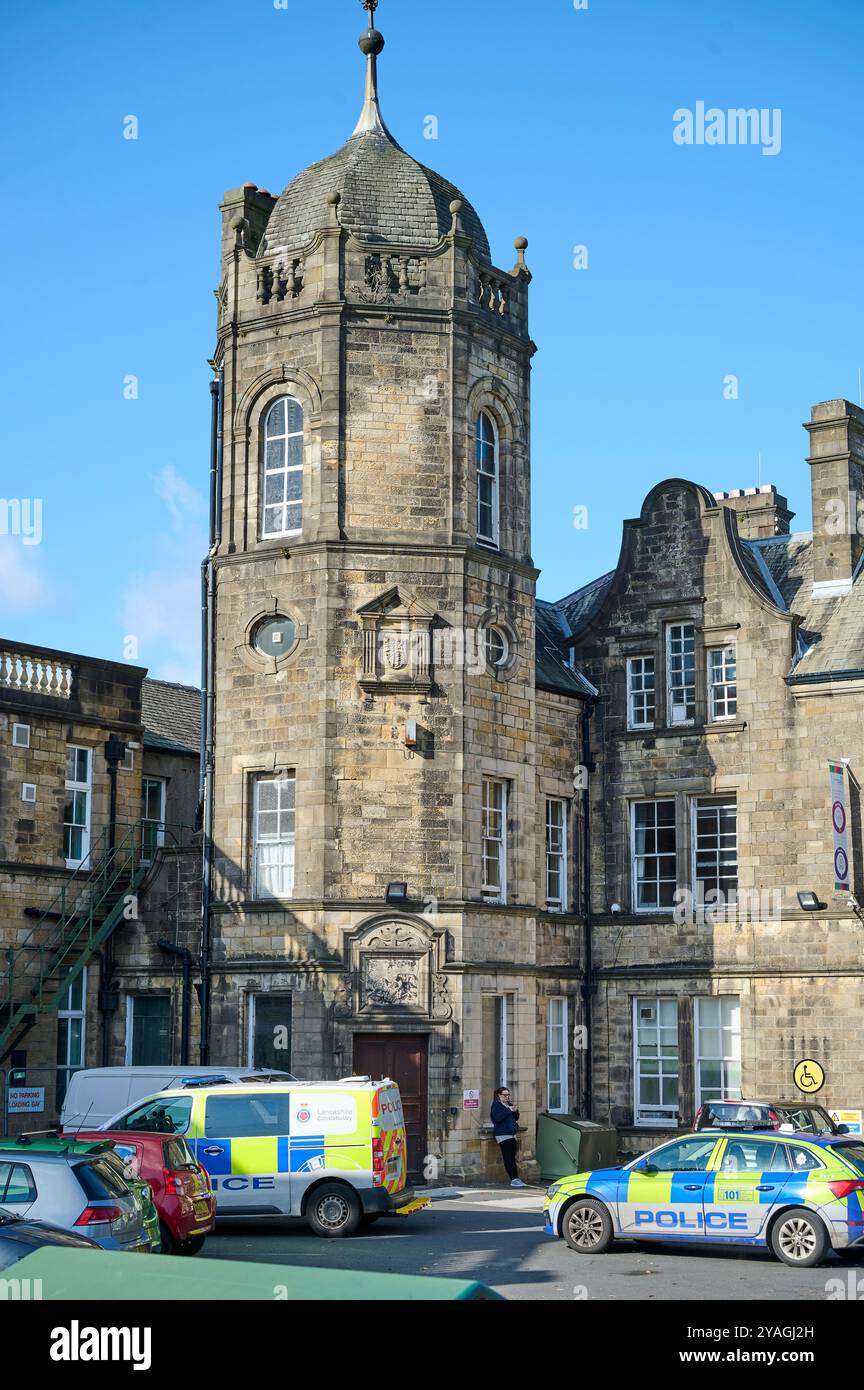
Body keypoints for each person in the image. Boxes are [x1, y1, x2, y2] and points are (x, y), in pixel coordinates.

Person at [490, 1086, 525, 1187]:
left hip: (512, 1135)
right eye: (504, 1095)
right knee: (508, 1158)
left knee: (512, 1158)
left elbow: (515, 1118)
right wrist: (509, 1110)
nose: (507, 1097)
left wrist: (515, 1110)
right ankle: (513, 1179)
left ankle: (516, 1178)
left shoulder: (509, 1104)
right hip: (503, 1135)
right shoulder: (496, 1105)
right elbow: (497, 1118)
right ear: (499, 1095)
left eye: (508, 1095)